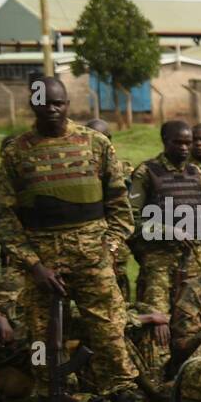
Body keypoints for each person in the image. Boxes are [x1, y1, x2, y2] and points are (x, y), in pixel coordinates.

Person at [0, 77, 160, 402]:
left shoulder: (96, 144)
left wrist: (109, 250)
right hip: (42, 266)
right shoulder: (16, 153)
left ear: (67, 104)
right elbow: (6, 219)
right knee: (41, 341)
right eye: (45, 104)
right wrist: (34, 265)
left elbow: (120, 208)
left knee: (110, 334)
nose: (53, 110)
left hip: (93, 261)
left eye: (59, 103)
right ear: (33, 105)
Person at [129, 120, 201, 312]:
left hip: (194, 261)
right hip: (159, 265)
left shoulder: (195, 173)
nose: (185, 148)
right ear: (165, 141)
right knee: (157, 322)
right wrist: (169, 231)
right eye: (178, 143)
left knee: (193, 319)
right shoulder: (147, 173)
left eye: (188, 143)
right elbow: (130, 219)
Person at [83, 118, 134, 300]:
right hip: (85, 243)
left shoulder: (124, 170)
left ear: (109, 139)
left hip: (115, 241)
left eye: (100, 138)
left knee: (118, 290)